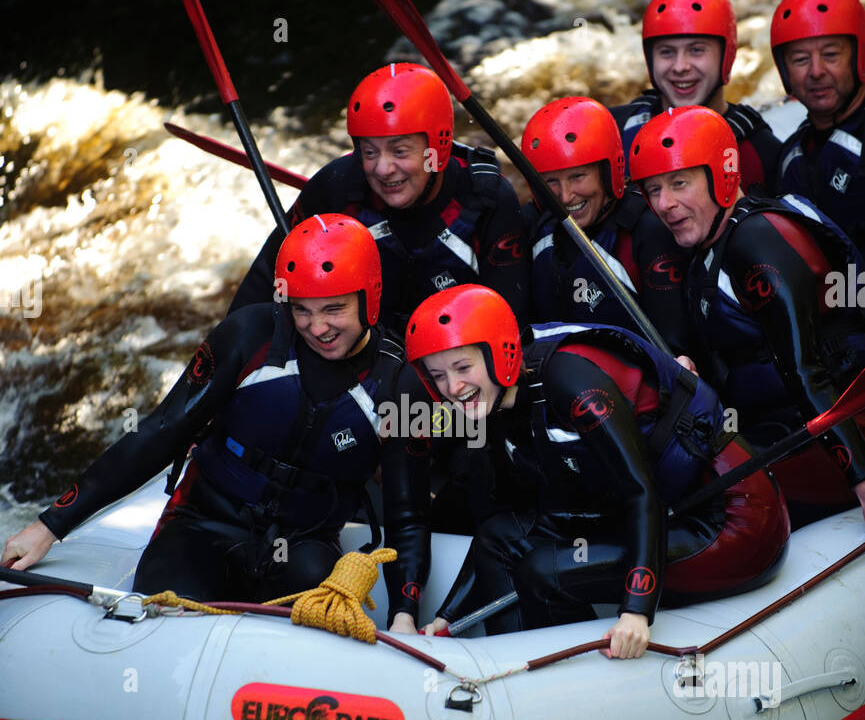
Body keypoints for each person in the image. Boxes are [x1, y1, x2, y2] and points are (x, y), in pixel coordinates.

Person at [2, 215, 430, 632]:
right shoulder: (250, 335)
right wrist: (49, 527)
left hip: (302, 546)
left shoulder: (396, 382)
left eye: (333, 309)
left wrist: (405, 614)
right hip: (202, 526)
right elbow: (162, 430)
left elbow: (407, 513)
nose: (317, 327)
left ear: (370, 297)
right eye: (302, 310)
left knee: (314, 594)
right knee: (169, 611)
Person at [404, 284, 790, 657]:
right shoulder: (504, 393)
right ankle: (513, 671)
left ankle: (568, 681)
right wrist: (447, 618)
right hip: (673, 512)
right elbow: (529, 517)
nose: (453, 387)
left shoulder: (570, 382)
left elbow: (642, 491)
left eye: (462, 367)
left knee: (542, 572)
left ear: (498, 353)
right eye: (437, 376)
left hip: (733, 521)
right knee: (497, 536)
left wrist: (636, 610)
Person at [629, 106, 865, 522]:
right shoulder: (709, 252)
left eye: (679, 183)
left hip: (836, 438)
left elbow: (808, 372)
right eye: (652, 190)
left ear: (722, 175)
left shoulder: (756, 242)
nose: (664, 204)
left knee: (686, 508)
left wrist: (861, 477)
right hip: (778, 434)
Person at [228, 62, 530, 335]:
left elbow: (508, 325)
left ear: (436, 148)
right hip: (357, 355)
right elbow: (263, 286)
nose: (382, 169)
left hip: (452, 364)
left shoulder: (488, 200)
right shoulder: (337, 186)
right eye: (369, 152)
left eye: (400, 151)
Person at [521, 95, 691, 352]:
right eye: (550, 182)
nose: (566, 196)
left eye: (578, 176)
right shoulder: (539, 232)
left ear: (608, 171)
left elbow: (676, 347)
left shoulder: (647, 230)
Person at [612, 0, 781, 190]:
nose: (680, 66)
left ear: (726, 57)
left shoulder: (762, 152)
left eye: (696, 50)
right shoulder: (615, 132)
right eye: (666, 52)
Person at [771, 0, 865, 254]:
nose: (816, 71)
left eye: (831, 55)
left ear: (858, 57)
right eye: (801, 59)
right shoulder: (791, 153)